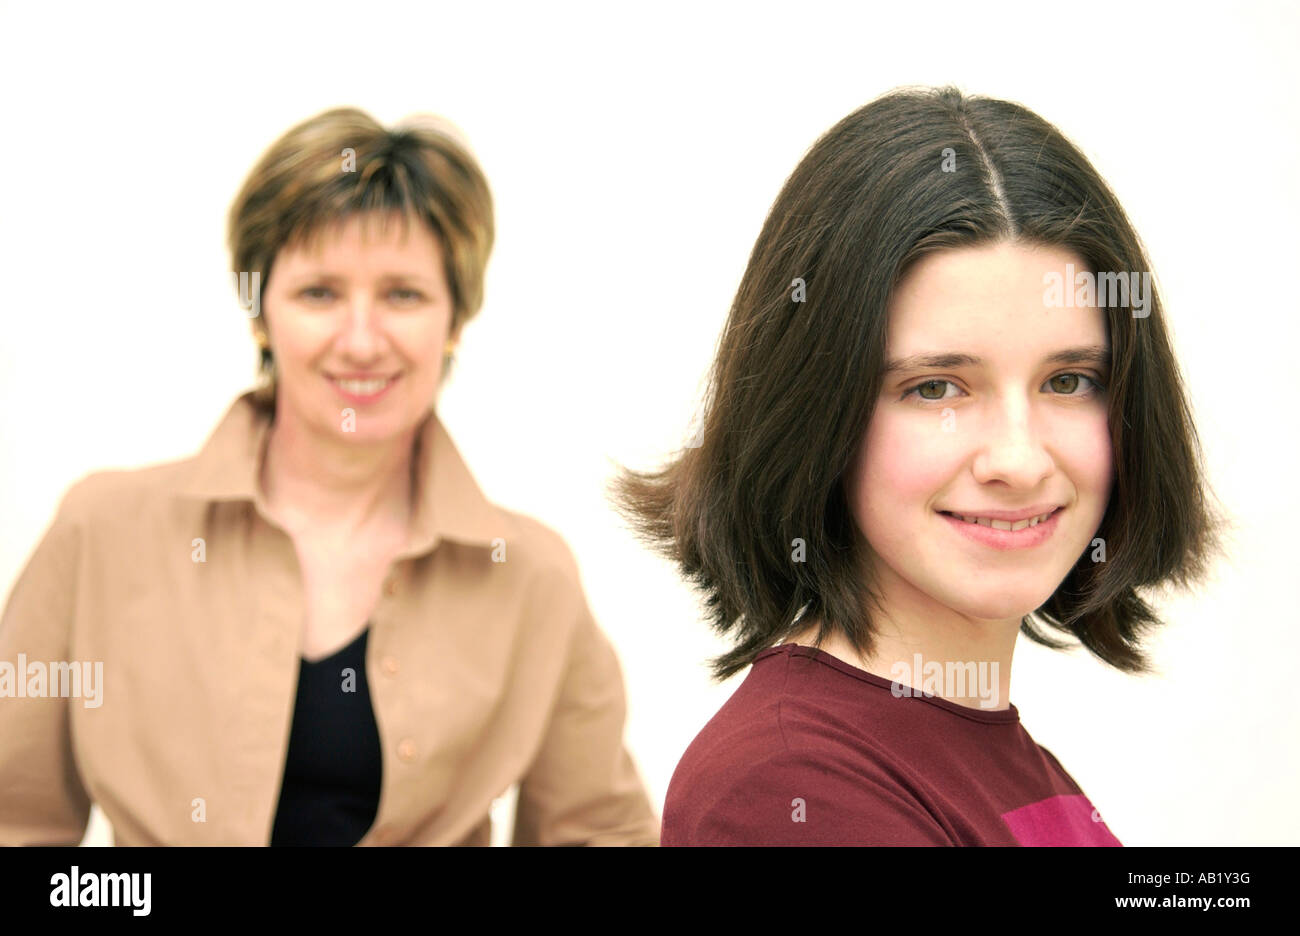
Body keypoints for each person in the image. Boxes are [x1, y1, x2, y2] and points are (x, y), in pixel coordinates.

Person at [0, 107, 659, 846]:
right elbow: (14, 824)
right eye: (319, 293)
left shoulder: (531, 575)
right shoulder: (103, 530)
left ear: (454, 321)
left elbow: (602, 835)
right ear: (258, 312)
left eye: (403, 294)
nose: (361, 340)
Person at [612, 86, 1229, 846]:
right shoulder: (789, 792)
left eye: (1068, 381)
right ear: (816, 410)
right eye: (935, 387)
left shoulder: (995, 753)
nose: (1018, 457)